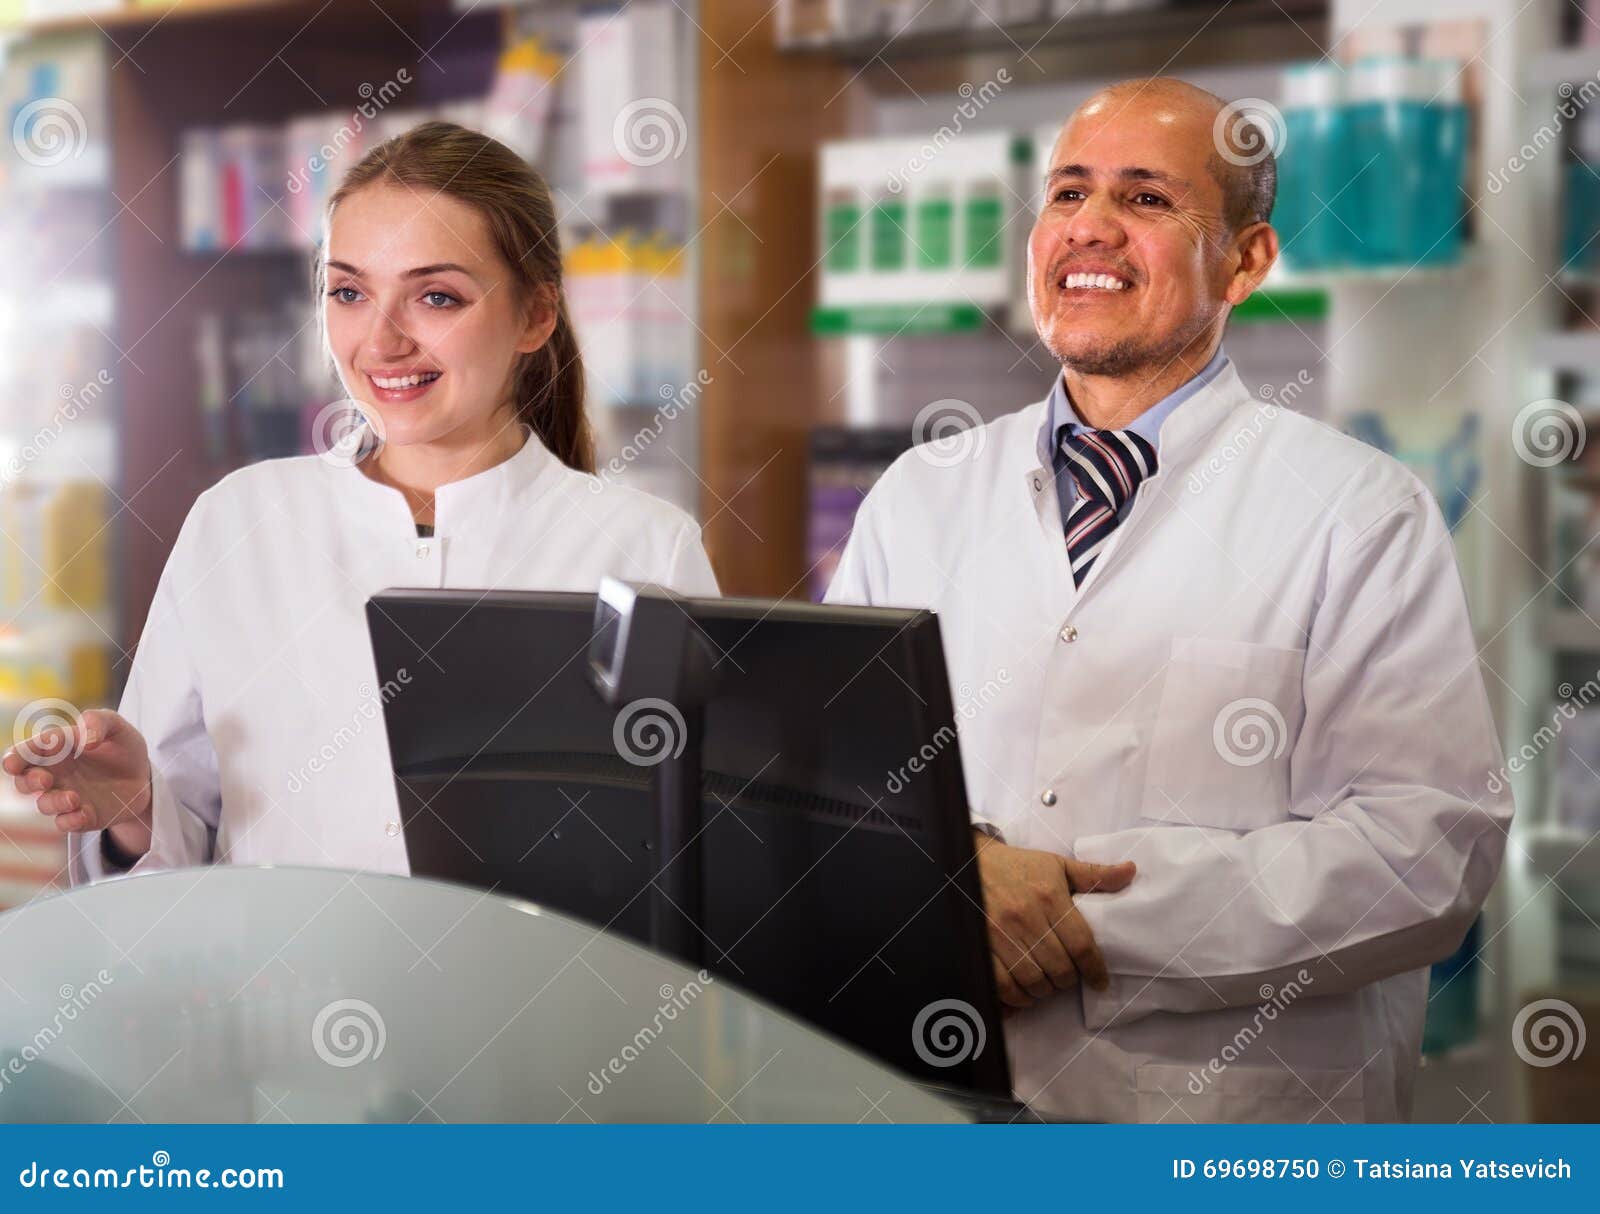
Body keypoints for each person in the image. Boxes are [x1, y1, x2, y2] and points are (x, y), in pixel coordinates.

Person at [826, 78, 1512, 1123]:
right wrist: (954, 876)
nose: (1089, 227)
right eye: (1066, 194)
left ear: (1246, 259)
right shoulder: (918, 496)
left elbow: (1422, 847)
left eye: (1146, 199)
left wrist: (1085, 921)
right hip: (933, 1098)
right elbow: (830, 789)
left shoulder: (1357, 510)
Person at [6, 121, 717, 883]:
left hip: (540, 999)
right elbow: (179, 857)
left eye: (436, 297)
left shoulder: (644, 548)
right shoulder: (240, 521)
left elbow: (699, 859)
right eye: (349, 291)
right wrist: (133, 813)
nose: (381, 341)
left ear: (536, 316)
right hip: (278, 993)